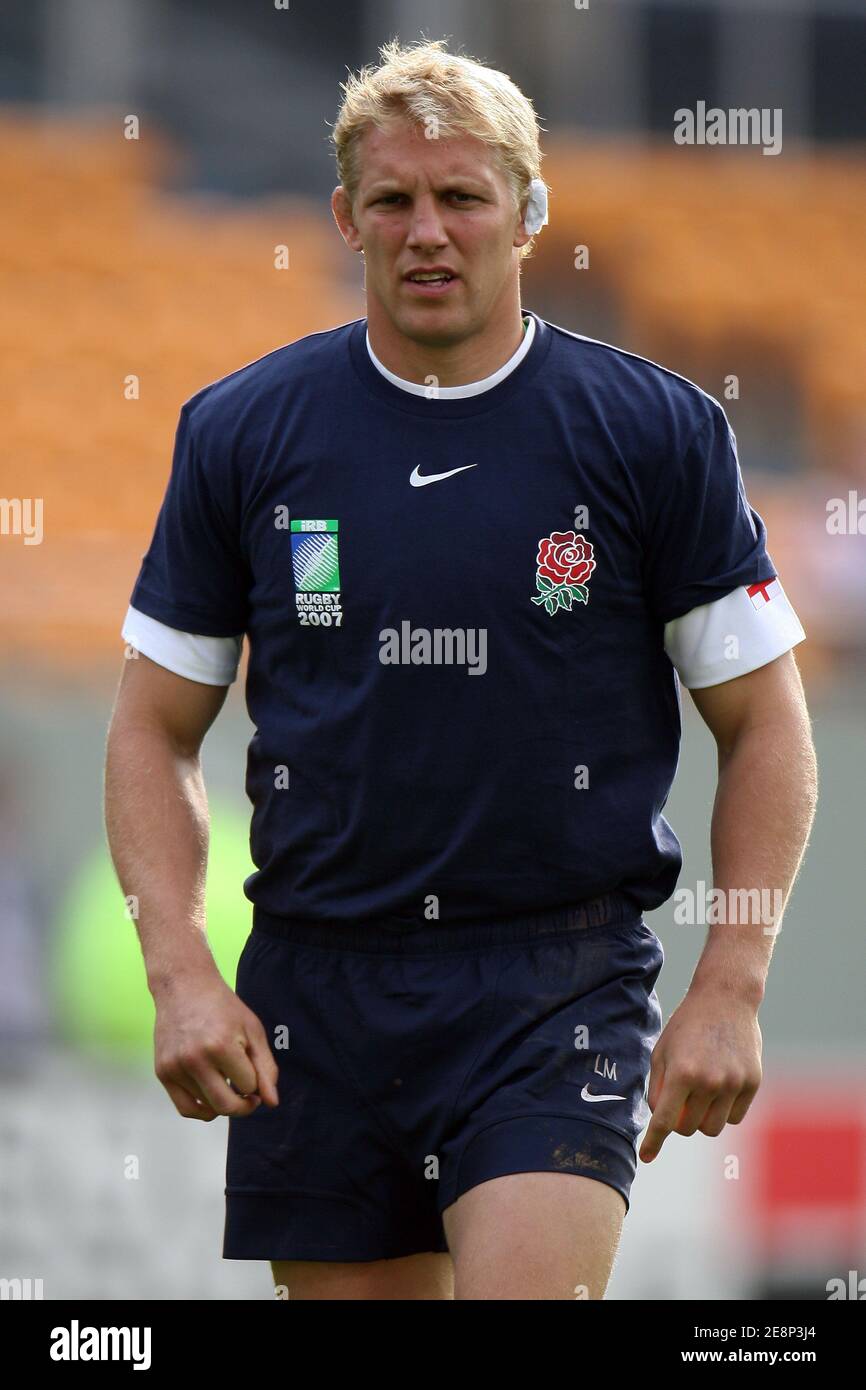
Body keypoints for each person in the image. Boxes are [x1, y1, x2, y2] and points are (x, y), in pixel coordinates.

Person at [104, 38, 817, 1301]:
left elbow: (763, 723)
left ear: (528, 212)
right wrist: (180, 976)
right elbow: (152, 729)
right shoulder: (240, 432)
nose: (426, 231)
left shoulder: (653, 432)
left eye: (462, 196)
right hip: (316, 989)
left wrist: (730, 983)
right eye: (392, 199)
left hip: (556, 981)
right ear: (345, 217)